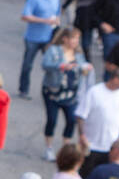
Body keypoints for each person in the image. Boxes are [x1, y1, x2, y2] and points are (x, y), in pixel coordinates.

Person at [40, 27, 94, 161]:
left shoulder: (78, 54)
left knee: (71, 120)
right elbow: (45, 64)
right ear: (65, 39)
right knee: (52, 120)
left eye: (77, 39)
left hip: (71, 93)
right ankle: (49, 147)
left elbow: (82, 70)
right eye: (73, 39)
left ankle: (66, 148)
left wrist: (86, 69)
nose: (76, 42)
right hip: (53, 92)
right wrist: (60, 66)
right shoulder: (54, 50)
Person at [76, 66, 119, 178]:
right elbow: (81, 115)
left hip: (113, 148)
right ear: (116, 79)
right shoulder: (94, 92)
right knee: (87, 176)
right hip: (92, 146)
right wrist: (82, 136)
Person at [18, 0, 62, 99]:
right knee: (28, 64)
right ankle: (23, 89)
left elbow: (57, 13)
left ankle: (52, 89)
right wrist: (45, 21)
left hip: (49, 37)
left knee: (51, 64)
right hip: (33, 37)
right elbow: (25, 16)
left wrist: (56, 20)